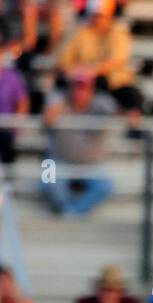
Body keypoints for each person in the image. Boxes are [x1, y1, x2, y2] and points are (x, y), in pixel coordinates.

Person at [40, 66, 113, 214]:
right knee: (47, 181)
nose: (79, 91)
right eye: (76, 86)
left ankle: (71, 214)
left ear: (91, 89)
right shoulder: (58, 99)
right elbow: (47, 118)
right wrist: (61, 107)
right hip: (57, 160)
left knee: (106, 186)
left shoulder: (102, 102)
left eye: (83, 87)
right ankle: (69, 211)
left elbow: (116, 113)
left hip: (92, 164)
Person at [57, 0, 141, 121]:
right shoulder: (80, 32)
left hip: (112, 84)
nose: (97, 20)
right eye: (94, 15)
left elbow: (116, 61)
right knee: (62, 86)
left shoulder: (118, 32)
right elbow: (63, 60)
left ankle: (133, 128)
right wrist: (81, 72)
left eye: (100, 16)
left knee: (133, 96)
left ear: (109, 16)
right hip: (85, 83)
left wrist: (87, 70)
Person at [0, 22, 28, 178]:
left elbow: (23, 102)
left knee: (6, 140)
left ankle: (9, 184)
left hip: (5, 127)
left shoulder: (12, 76)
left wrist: (16, 125)